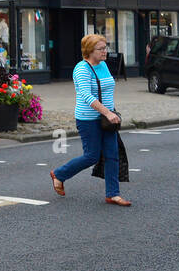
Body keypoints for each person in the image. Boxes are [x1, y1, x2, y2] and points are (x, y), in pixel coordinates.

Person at [50, 34, 130, 206]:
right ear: (89, 51)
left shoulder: (104, 65)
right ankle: (59, 174)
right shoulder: (81, 69)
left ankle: (113, 194)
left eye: (105, 47)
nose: (105, 51)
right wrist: (107, 112)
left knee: (112, 155)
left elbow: (108, 89)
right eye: (101, 49)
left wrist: (111, 112)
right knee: (92, 156)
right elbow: (86, 95)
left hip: (107, 119)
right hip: (88, 119)